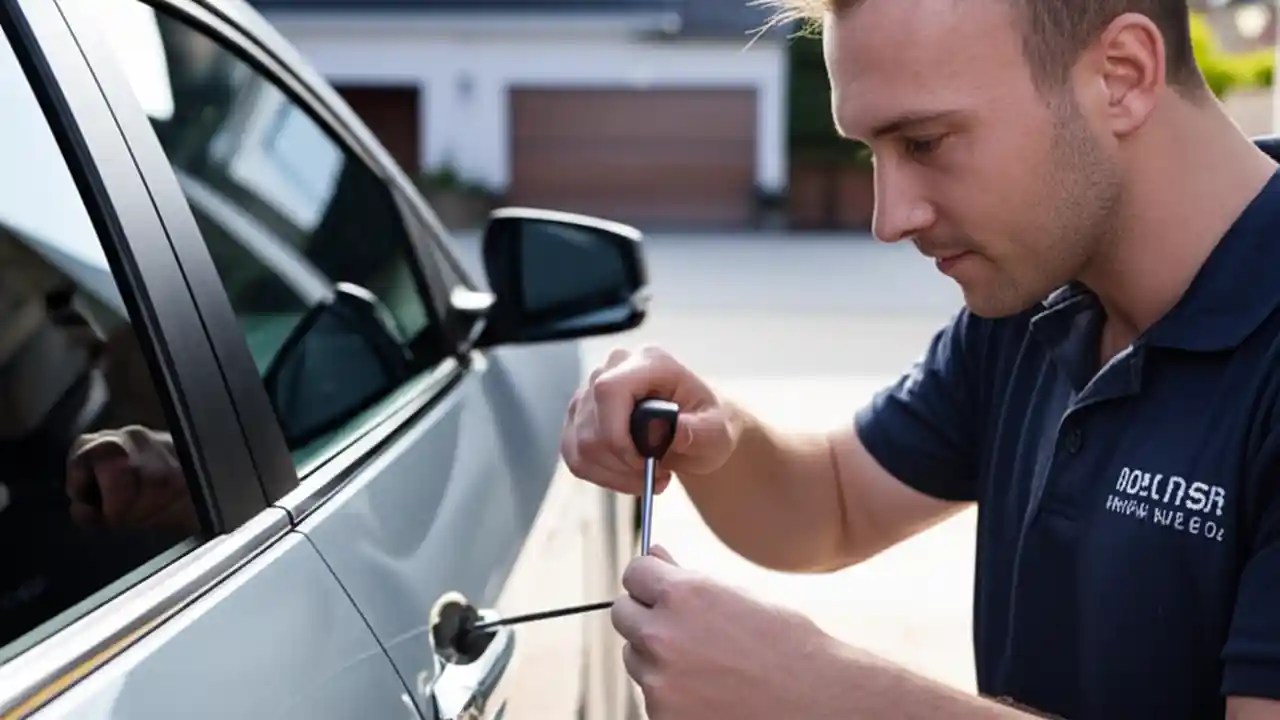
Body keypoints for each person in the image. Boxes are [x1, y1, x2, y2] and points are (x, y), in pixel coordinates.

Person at [559, 0, 1280, 717]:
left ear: (1122, 75)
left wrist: (825, 695)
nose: (890, 218)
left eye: (925, 143)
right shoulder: (1039, 291)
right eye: (870, 153)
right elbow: (836, 503)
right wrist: (712, 435)